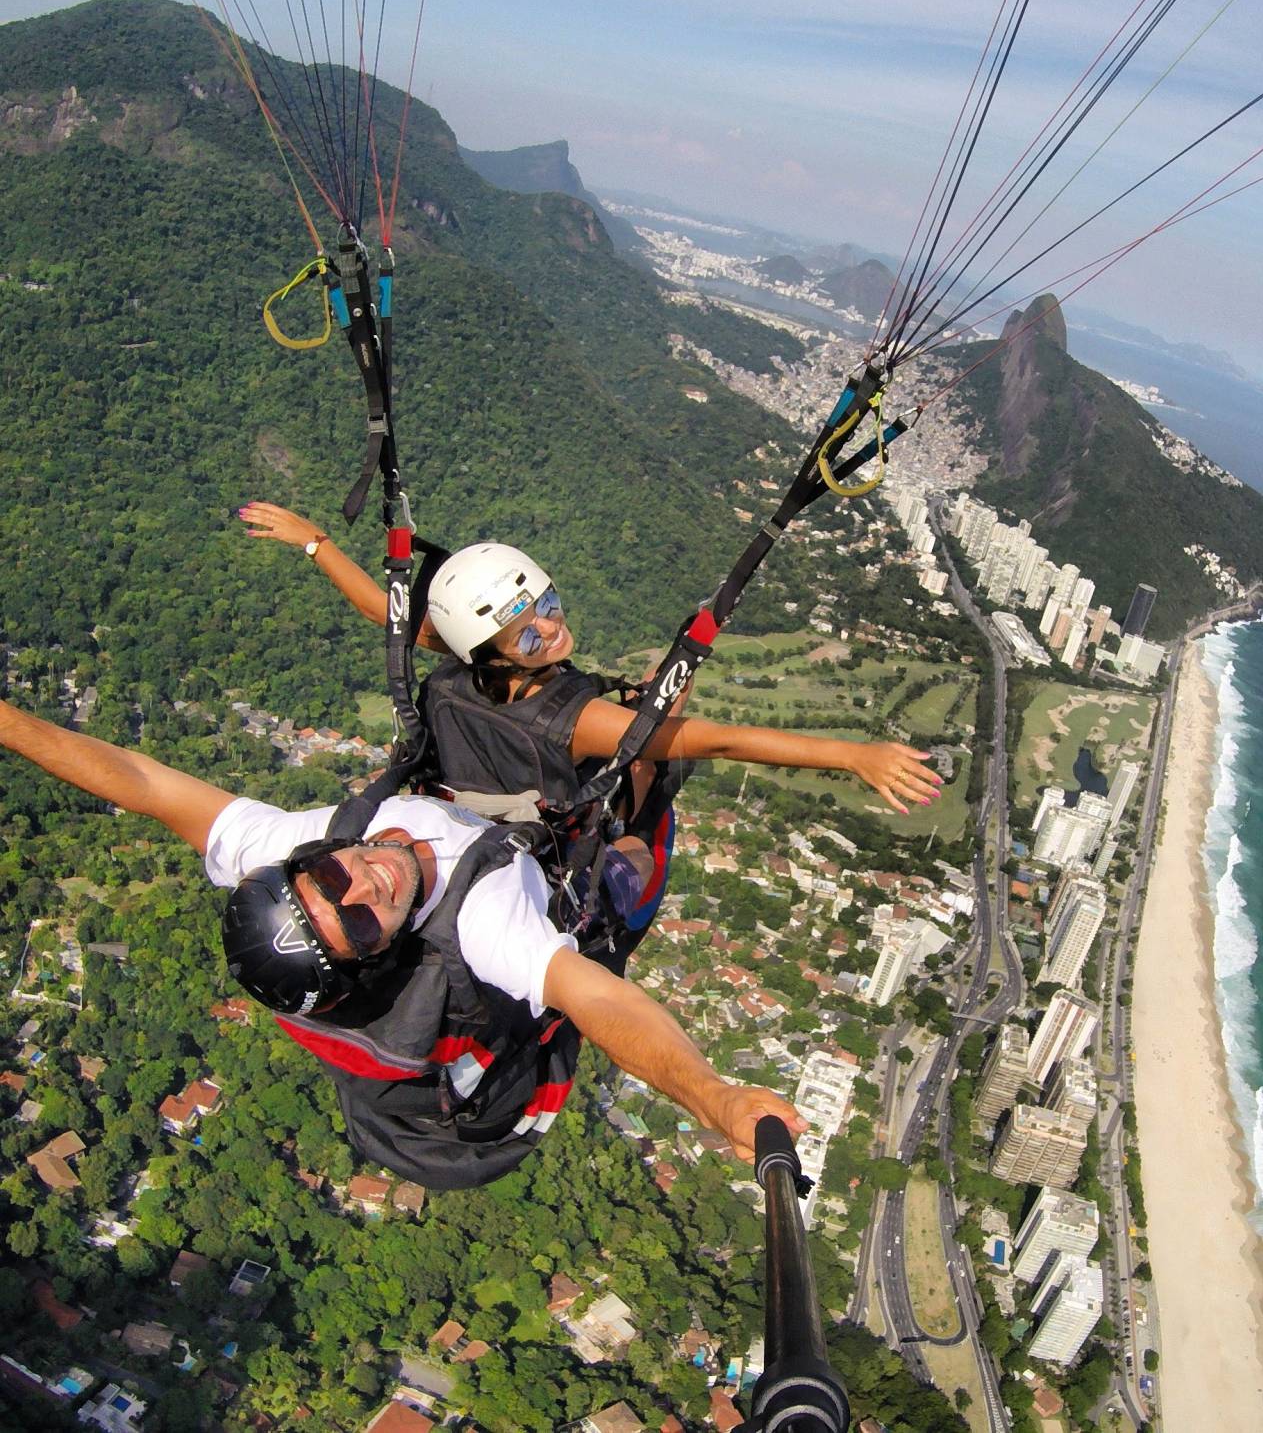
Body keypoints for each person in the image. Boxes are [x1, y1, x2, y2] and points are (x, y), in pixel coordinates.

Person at [0, 695, 806, 1188]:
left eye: (329, 875)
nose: (364, 883)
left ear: (304, 859)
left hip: (488, 820)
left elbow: (140, 783)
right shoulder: (485, 922)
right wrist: (713, 1097)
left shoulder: (284, 847)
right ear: (379, 955)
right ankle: (653, 795)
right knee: (639, 836)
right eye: (357, 924)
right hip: (563, 895)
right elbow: (602, 1003)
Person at [237, 502, 945, 817]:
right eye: (528, 635)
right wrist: (852, 755)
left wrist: (314, 542)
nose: (550, 630)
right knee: (650, 753)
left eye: (546, 604)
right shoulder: (582, 723)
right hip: (540, 817)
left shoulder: (463, 664)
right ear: (494, 652)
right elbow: (720, 741)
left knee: (652, 703)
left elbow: (384, 611)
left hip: (468, 795)